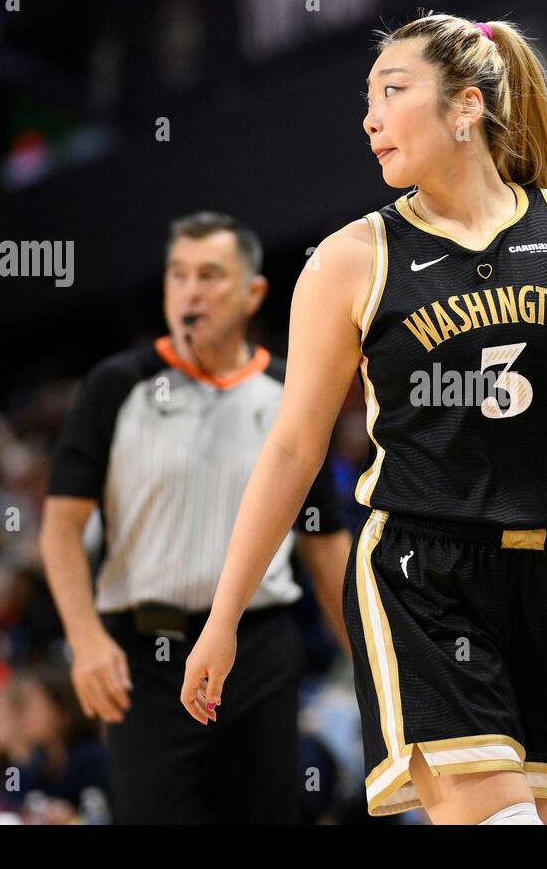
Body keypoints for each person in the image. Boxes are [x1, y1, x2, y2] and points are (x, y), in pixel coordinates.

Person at [180, 14, 547, 826]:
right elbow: (292, 447)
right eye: (368, 100)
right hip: (425, 573)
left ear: (467, 107)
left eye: (393, 93)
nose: (370, 118)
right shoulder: (350, 260)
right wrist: (224, 616)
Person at [41, 211, 352, 824]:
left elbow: (324, 546)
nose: (190, 290)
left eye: (210, 275)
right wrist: (84, 638)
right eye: (178, 276)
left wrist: (372, 672)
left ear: (252, 293)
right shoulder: (115, 386)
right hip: (146, 655)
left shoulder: (289, 394)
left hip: (259, 648)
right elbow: (58, 529)